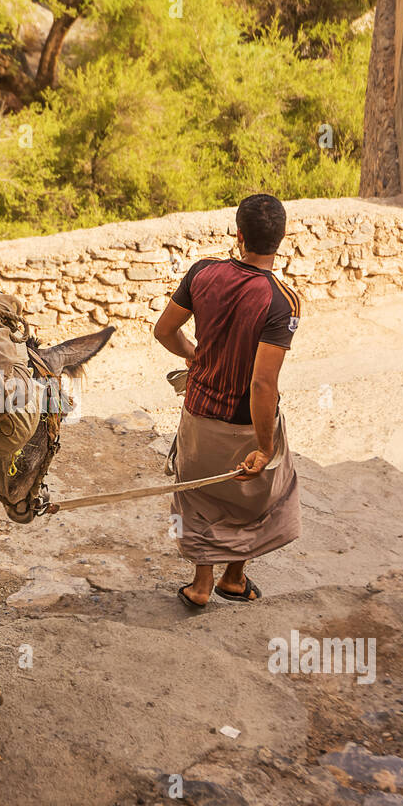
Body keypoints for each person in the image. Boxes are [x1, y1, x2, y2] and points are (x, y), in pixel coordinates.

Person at [152, 193, 302, 608]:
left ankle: (201, 587)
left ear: (239, 236)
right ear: (281, 239)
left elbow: (164, 331)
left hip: (198, 411)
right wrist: (264, 445)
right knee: (261, 496)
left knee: (199, 496)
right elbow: (262, 384)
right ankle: (234, 578)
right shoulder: (281, 301)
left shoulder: (202, 273)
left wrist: (195, 354)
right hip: (243, 421)